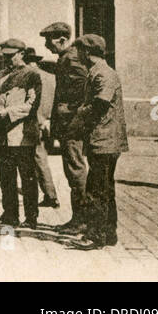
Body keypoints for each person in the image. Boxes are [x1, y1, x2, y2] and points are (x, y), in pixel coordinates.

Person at [64, 34, 128, 249]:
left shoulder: (103, 73)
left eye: (79, 50)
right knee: (105, 189)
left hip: (104, 140)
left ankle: (95, 236)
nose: (77, 55)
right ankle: (109, 234)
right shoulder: (99, 71)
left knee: (96, 190)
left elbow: (100, 104)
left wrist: (80, 112)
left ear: (88, 52)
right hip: (104, 139)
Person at [0, 38, 42, 230]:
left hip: (23, 135)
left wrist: (8, 113)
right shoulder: (0, 75)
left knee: (27, 178)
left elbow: (31, 105)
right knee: (7, 178)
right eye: (5, 56)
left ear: (21, 54)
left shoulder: (32, 75)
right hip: (3, 135)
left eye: (11, 56)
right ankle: (10, 215)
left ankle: (31, 217)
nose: (7, 60)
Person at [43, 20, 90, 232]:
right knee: (72, 170)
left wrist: (70, 109)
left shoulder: (71, 58)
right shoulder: (65, 58)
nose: (46, 45)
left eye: (49, 40)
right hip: (67, 124)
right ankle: (78, 218)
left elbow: (83, 84)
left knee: (75, 170)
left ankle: (82, 220)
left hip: (72, 124)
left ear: (62, 39)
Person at [23, 46, 60, 208]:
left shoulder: (29, 78)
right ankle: (48, 194)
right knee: (41, 159)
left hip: (34, 124)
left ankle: (51, 196)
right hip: (50, 122)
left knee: (38, 160)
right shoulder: (52, 77)